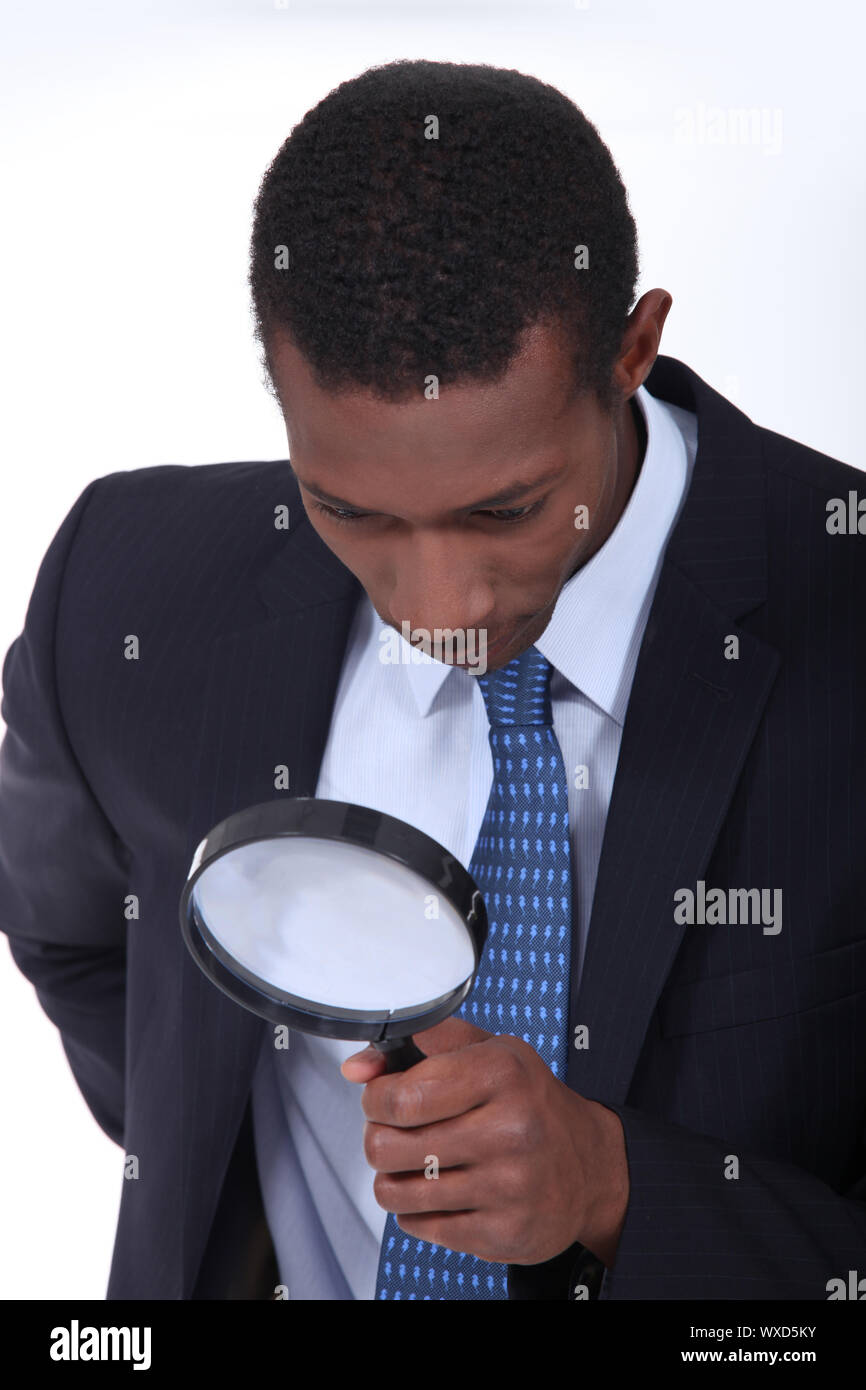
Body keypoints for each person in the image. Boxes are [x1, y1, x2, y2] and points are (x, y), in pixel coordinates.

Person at [1, 58, 864, 1301]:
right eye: (348, 509)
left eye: (503, 510)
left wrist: (615, 1192)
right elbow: (79, 940)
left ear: (632, 347)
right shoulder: (126, 593)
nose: (434, 610)